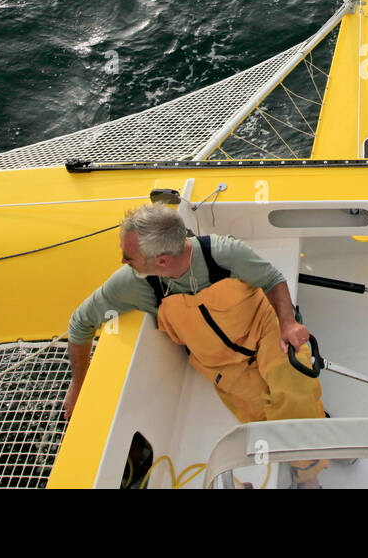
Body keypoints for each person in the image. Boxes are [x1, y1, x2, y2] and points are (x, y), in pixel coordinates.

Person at [63, 203, 327, 486]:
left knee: (294, 390)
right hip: (222, 365)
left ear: (162, 261)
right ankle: (321, 431)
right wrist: (78, 385)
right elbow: (79, 323)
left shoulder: (224, 253)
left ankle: (308, 476)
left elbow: (272, 279)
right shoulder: (132, 284)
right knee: (265, 420)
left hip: (267, 330)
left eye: (129, 258)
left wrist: (288, 323)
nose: (123, 263)